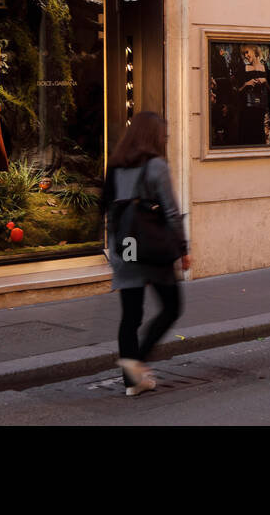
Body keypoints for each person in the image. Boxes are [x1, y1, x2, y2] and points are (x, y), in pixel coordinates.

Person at [100, 111, 189, 397]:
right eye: (164, 135)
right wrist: (182, 248)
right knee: (172, 306)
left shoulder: (114, 166)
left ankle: (131, 382)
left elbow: (105, 208)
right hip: (152, 247)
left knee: (130, 315)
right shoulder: (155, 166)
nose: (165, 140)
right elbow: (172, 212)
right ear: (153, 136)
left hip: (124, 246)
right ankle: (137, 364)